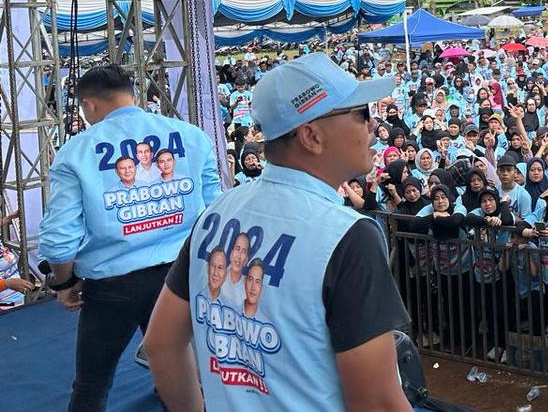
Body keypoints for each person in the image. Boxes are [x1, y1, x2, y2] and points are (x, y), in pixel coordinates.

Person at [143, 53, 413, 411]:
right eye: (361, 113)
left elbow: (161, 342)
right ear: (312, 136)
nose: (372, 125)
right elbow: (378, 403)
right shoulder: (346, 236)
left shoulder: (216, 213)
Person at [40, 64, 221, 412]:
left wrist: (64, 283)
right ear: (132, 94)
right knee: (185, 375)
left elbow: (59, 235)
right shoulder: (191, 136)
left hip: (112, 284)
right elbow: (215, 209)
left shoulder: (77, 151)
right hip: (181, 275)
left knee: (93, 382)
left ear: (89, 105)